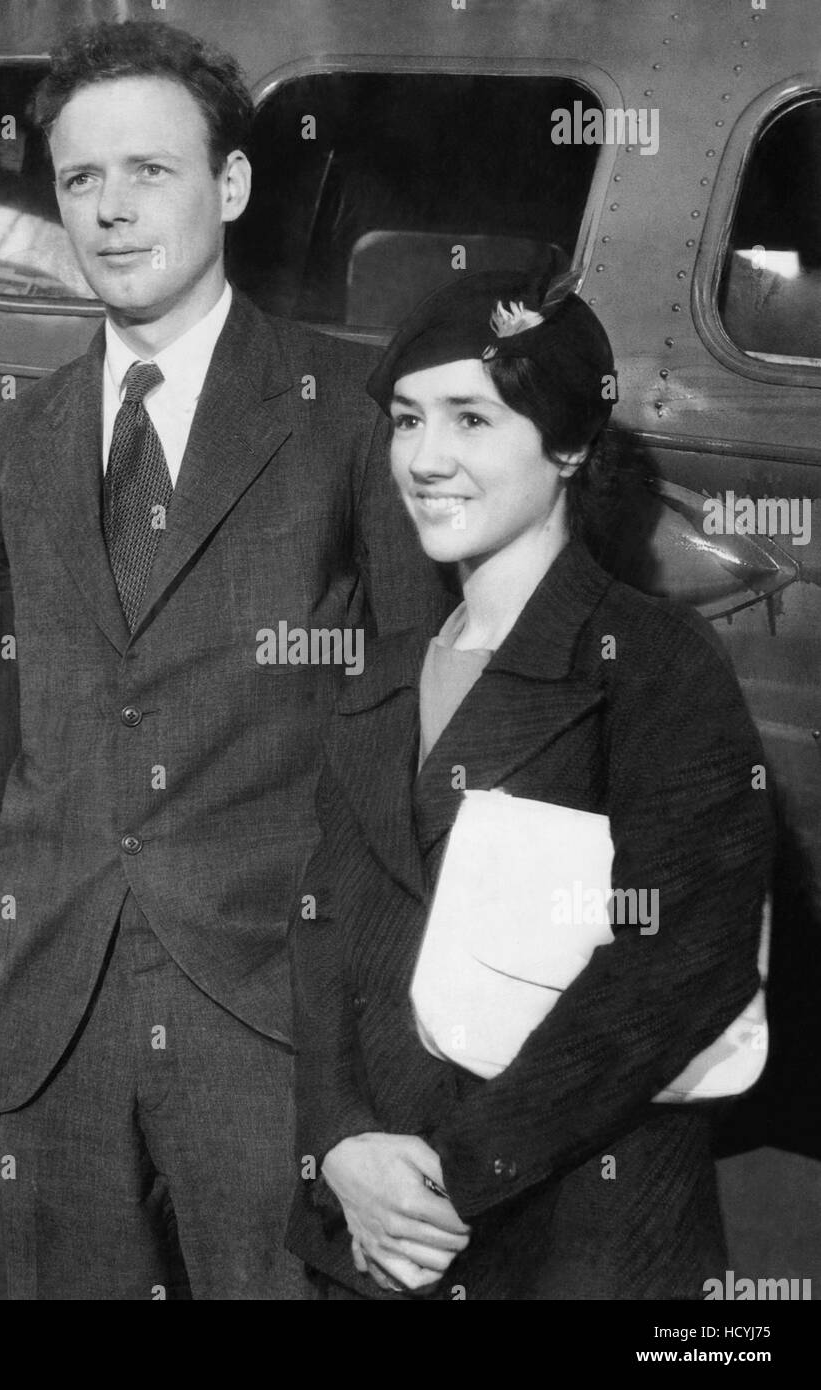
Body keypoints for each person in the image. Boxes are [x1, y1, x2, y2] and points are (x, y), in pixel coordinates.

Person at [0, 17, 448, 1300]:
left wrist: (390, 1062)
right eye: (80, 178)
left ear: (230, 186)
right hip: (51, 1014)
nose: (107, 211)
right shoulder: (18, 442)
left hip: (274, 1020)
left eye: (147, 170)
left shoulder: (355, 417)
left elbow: (426, 756)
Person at [286, 271, 775, 1299]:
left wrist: (445, 1184)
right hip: (371, 1232)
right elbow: (322, 930)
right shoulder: (382, 675)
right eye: (406, 420)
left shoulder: (653, 663)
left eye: (470, 418)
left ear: (564, 445)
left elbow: (682, 967)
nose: (423, 459)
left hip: (565, 1236)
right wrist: (336, 1143)